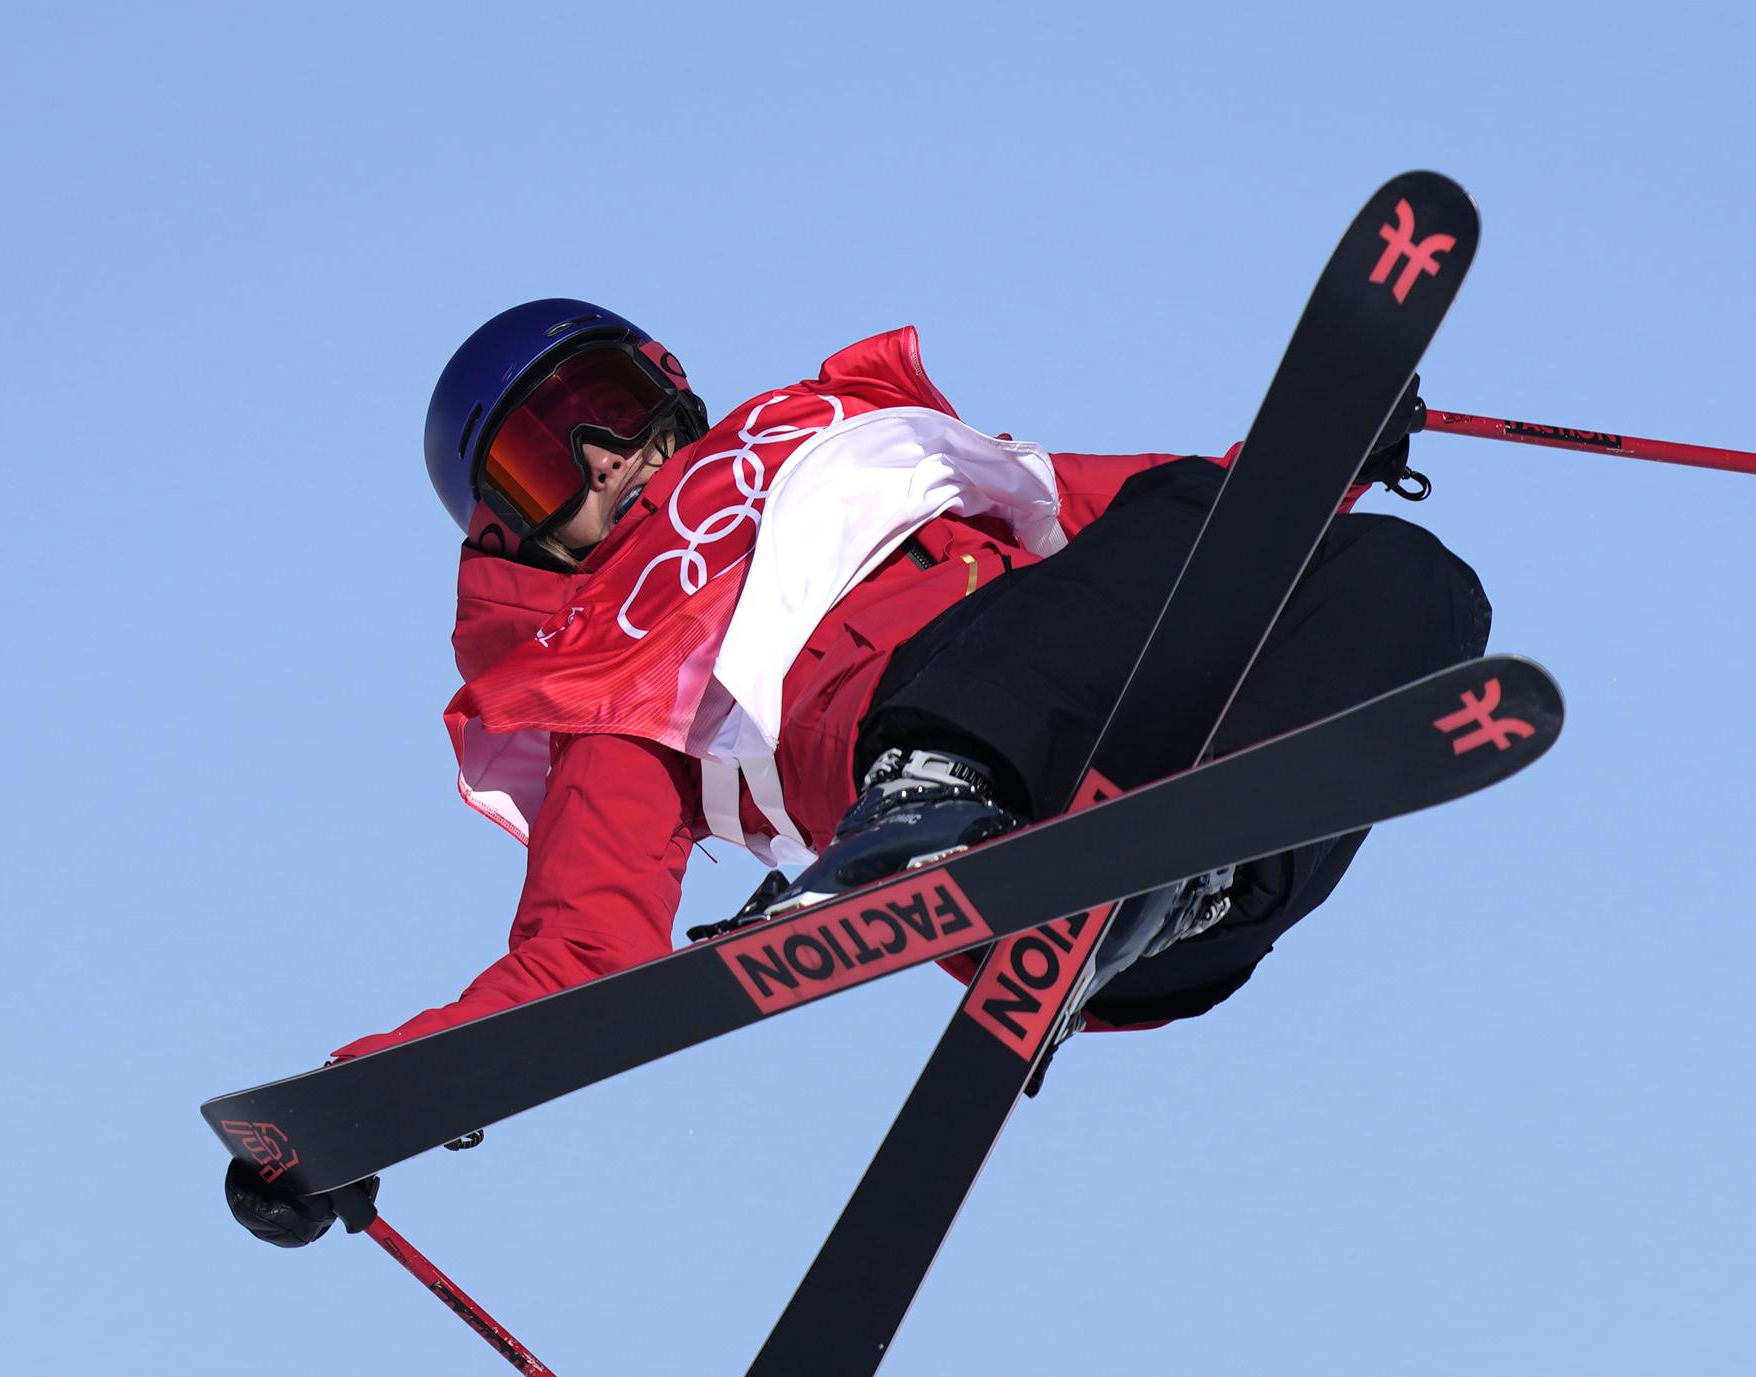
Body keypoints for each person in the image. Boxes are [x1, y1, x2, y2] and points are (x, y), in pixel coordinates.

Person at [227, 299, 1490, 1245]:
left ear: (663, 382)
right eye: (550, 465)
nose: (608, 458)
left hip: (1144, 808)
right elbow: (576, 954)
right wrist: (361, 1102)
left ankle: (1200, 876)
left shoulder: (845, 441)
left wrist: (1312, 453)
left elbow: (1182, 517)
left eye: (600, 409)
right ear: (518, 537)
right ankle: (942, 804)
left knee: (1406, 580)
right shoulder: (607, 679)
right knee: (1031, 618)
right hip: (946, 797)